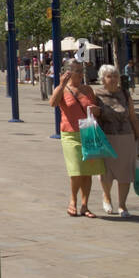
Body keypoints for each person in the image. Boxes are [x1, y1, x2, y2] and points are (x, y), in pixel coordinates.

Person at [49, 59, 102, 218]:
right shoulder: (63, 89)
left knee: (88, 172)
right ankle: (73, 201)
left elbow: (98, 111)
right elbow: (53, 103)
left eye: (81, 70)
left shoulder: (88, 89)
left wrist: (96, 110)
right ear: (68, 72)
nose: (80, 74)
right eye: (77, 71)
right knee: (76, 170)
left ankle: (85, 205)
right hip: (70, 133)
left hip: (88, 132)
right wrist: (61, 84)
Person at [93, 64, 139, 218]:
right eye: (109, 76)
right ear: (102, 79)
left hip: (126, 137)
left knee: (125, 174)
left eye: (115, 76)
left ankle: (122, 204)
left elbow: (133, 118)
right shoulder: (97, 94)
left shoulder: (125, 94)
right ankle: (107, 196)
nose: (113, 79)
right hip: (106, 137)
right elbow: (93, 117)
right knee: (106, 173)